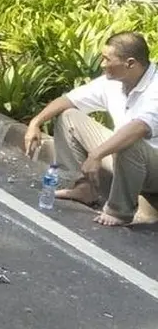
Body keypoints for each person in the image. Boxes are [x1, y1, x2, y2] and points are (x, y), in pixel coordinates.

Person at [23, 32, 158, 227]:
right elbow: (68, 100)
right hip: (125, 159)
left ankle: (120, 211)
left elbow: (138, 128)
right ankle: (85, 188)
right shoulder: (112, 82)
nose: (102, 64)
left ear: (130, 63)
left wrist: (96, 155)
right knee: (69, 116)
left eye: (107, 59)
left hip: (152, 167)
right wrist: (35, 123)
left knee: (129, 141)